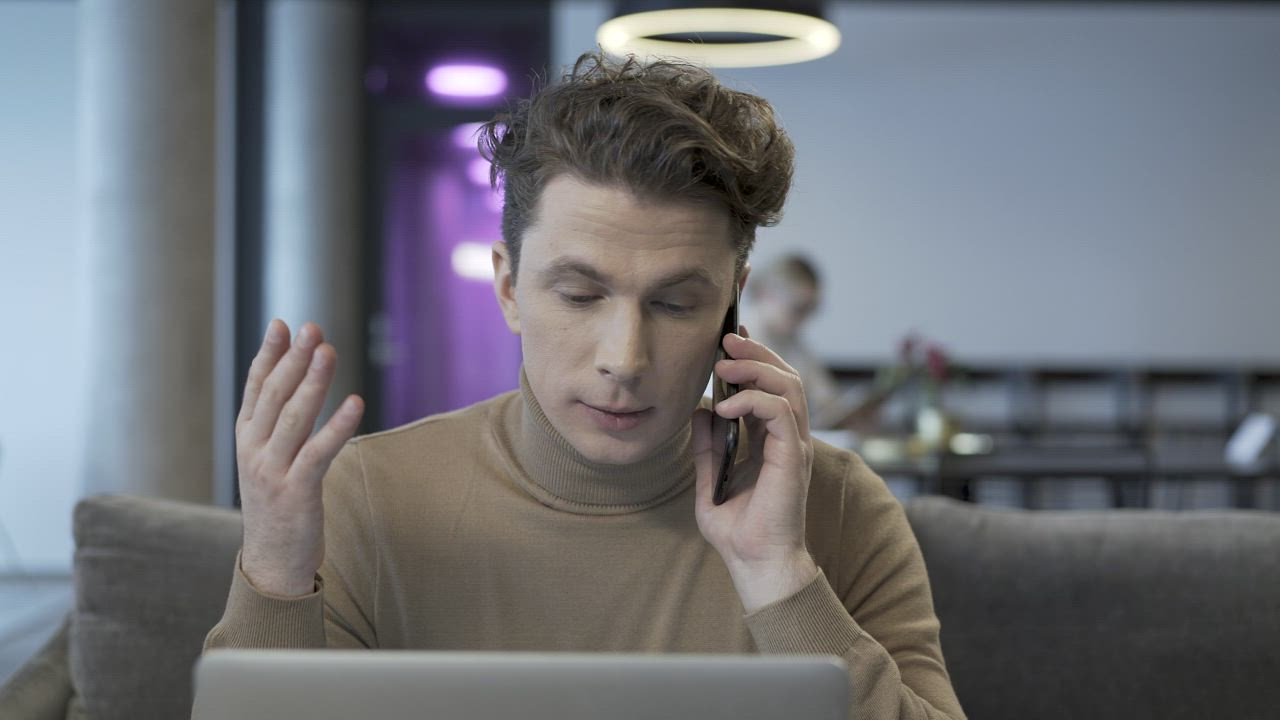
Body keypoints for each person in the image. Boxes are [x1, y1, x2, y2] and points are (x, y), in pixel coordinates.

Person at [204, 52, 964, 720]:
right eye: (578, 294)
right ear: (507, 289)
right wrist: (274, 568)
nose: (624, 359)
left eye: (675, 303)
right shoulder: (365, 497)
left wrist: (779, 574)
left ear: (732, 302)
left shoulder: (837, 507)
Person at [746, 255, 904, 431]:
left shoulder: (795, 343)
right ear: (764, 293)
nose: (805, 319)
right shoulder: (738, 339)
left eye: (811, 309)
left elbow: (827, 399)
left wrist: (855, 414)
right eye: (798, 308)